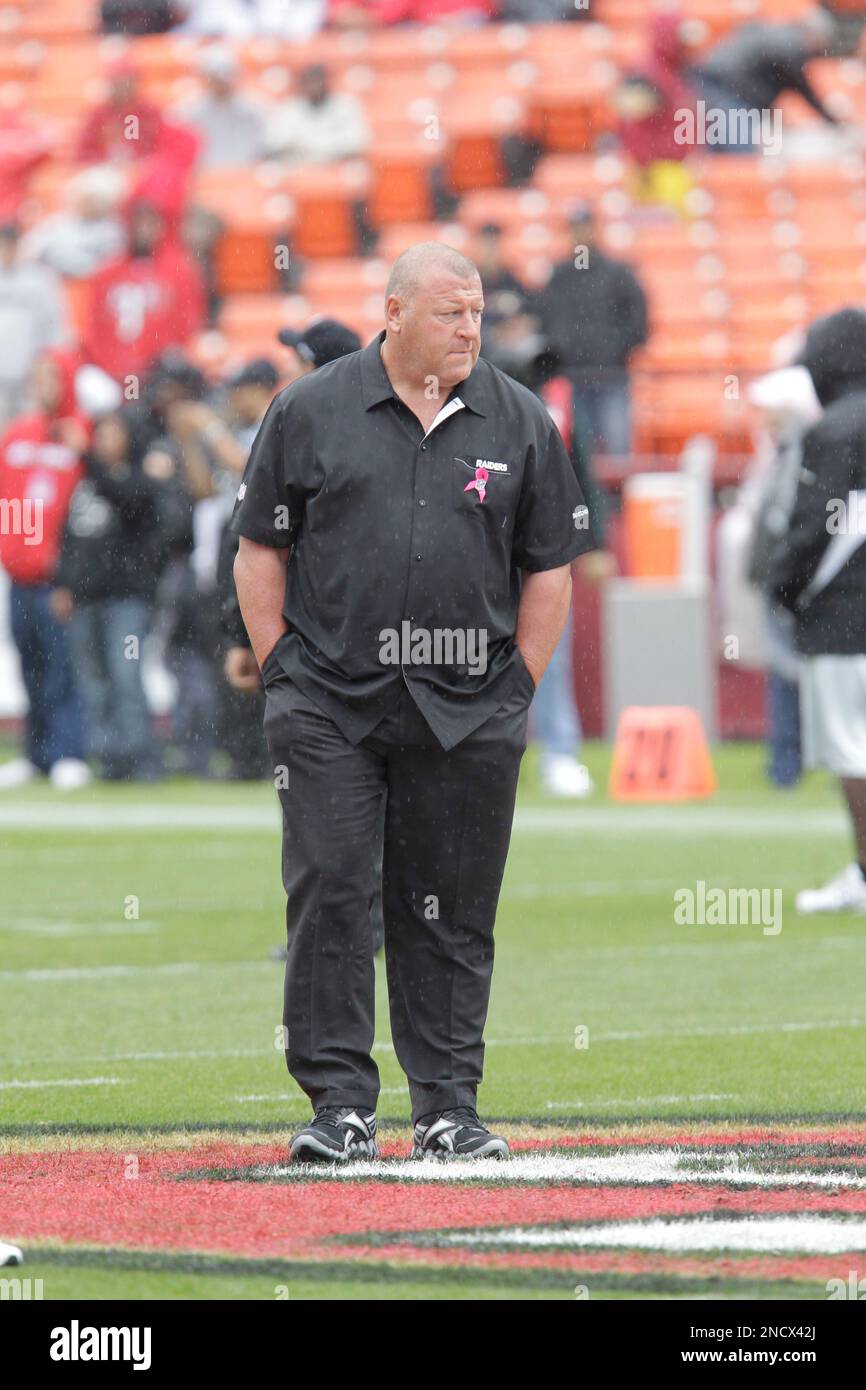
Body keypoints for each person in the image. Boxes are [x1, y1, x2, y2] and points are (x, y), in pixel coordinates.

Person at [231, 242, 596, 1162]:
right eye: (449, 312)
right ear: (393, 314)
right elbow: (260, 548)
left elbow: (551, 566)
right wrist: (281, 672)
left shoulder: (519, 420)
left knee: (451, 908)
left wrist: (519, 685)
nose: (471, 328)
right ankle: (338, 1106)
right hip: (328, 703)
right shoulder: (309, 409)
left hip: (470, 706)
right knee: (332, 894)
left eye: (475, 312)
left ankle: (446, 1106)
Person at [771, 309, 866, 913]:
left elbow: (812, 529)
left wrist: (781, 589)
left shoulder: (835, 429)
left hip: (846, 617)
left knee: (853, 752)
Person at [52, 411, 161, 781]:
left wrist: (86, 458)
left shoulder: (137, 478)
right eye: (101, 434)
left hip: (126, 599)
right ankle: (109, 760)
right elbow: (70, 540)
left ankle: (140, 757)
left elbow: (128, 501)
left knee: (125, 675)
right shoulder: (85, 482)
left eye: (114, 433)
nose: (105, 441)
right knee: (93, 682)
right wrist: (64, 584)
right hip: (85, 599)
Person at [0, 349, 90, 791]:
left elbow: (86, 505)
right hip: (19, 575)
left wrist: (70, 571)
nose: (43, 384)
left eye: (51, 375)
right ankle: (36, 754)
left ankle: (68, 750)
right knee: (29, 664)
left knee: (63, 667)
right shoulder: (18, 434)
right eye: (38, 376)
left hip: (59, 577)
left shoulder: (82, 435)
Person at [537, 201, 648, 459]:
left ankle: (617, 501)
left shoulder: (617, 272)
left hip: (611, 377)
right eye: (576, 228)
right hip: (571, 379)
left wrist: (614, 350)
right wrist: (561, 353)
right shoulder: (559, 276)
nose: (581, 233)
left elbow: (638, 321)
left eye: (585, 226)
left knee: (617, 452)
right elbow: (545, 320)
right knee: (575, 456)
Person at [83, 192, 206, 385]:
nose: (143, 230)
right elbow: (94, 326)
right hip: (113, 371)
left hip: (161, 373)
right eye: (138, 223)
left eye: (150, 223)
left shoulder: (180, 271)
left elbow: (188, 323)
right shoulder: (105, 273)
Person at [688, 8, 840, 152]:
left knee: (720, 146)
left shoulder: (777, 34)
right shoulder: (792, 44)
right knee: (740, 152)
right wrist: (831, 120)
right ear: (815, 37)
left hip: (714, 81)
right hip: (723, 86)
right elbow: (800, 86)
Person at [616, 9, 699, 214]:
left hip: (675, 171)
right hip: (654, 174)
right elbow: (628, 106)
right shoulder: (647, 70)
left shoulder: (676, 71)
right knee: (658, 235)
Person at [0, 219, 69, 431]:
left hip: (30, 374)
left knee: (29, 429)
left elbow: (53, 325)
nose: (8, 250)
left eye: (12, 244)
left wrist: (47, 365)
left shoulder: (39, 280)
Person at [20, 166, 126, 281]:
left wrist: (51, 254)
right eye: (85, 198)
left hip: (82, 288)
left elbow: (94, 268)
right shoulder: (61, 220)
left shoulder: (111, 232)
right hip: (45, 282)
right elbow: (30, 247)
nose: (87, 203)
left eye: (92, 199)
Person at [172, 45, 267, 170]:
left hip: (245, 176)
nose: (221, 81)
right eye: (214, 75)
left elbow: (265, 148)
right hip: (204, 178)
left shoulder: (255, 108)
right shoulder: (187, 111)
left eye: (225, 74)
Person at [263, 64, 370, 167]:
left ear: (325, 82)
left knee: (357, 169)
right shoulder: (289, 107)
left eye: (316, 81)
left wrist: (311, 146)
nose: (312, 86)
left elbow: (358, 141)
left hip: (335, 166)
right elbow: (275, 141)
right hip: (299, 169)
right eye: (308, 82)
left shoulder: (345, 105)